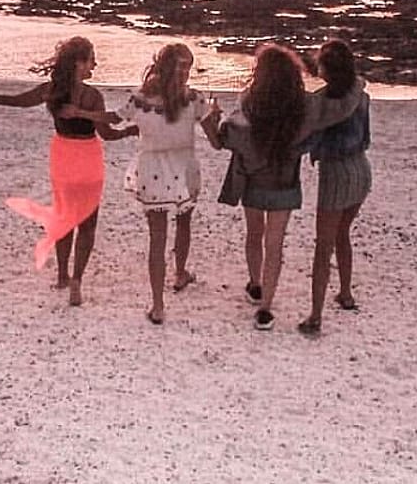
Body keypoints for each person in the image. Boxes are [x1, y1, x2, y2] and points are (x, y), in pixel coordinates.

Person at [0, 36, 136, 306]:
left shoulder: (50, 90)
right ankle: (76, 281)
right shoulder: (92, 96)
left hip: (62, 157)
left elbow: (16, 101)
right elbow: (107, 134)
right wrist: (130, 131)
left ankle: (62, 276)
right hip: (87, 158)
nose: (94, 65)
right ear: (78, 62)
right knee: (87, 224)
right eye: (91, 59)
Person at [201, 43, 364, 331]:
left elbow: (230, 137)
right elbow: (340, 108)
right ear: (292, 72)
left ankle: (255, 283)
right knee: (274, 243)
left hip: (252, 178)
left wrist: (215, 118)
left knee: (254, 233)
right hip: (284, 181)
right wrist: (357, 85)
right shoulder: (304, 105)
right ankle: (265, 308)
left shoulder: (249, 100)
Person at [109, 43, 217, 325]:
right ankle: (161, 299)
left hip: (160, 168)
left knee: (177, 226)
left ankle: (175, 279)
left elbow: (113, 120)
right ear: (167, 66)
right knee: (163, 235)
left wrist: (90, 117)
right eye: (181, 66)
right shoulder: (195, 100)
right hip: (177, 167)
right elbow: (217, 142)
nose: (185, 73)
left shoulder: (143, 98)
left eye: (188, 67)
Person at [297, 40, 372, 336]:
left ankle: (315, 315)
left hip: (336, 171)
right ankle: (345, 293)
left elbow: (309, 139)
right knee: (343, 234)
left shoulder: (323, 103)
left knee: (323, 245)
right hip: (361, 168)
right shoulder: (362, 97)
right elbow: (366, 135)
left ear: (327, 69)